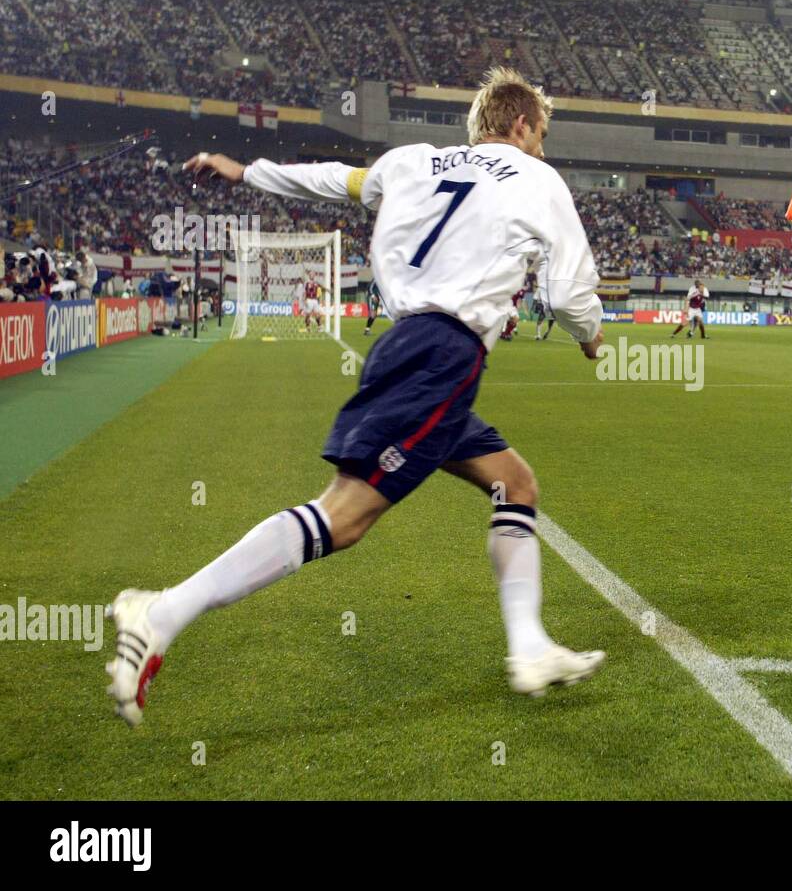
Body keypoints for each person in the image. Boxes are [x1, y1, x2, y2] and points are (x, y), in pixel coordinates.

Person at [105, 67, 607, 728]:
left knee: (514, 482)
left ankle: (530, 646)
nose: (541, 146)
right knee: (344, 516)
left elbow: (330, 177)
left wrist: (244, 168)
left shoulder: (409, 163)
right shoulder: (538, 179)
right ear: (520, 125)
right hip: (443, 356)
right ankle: (164, 609)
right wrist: (591, 335)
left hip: (408, 344)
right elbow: (569, 292)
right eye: (539, 133)